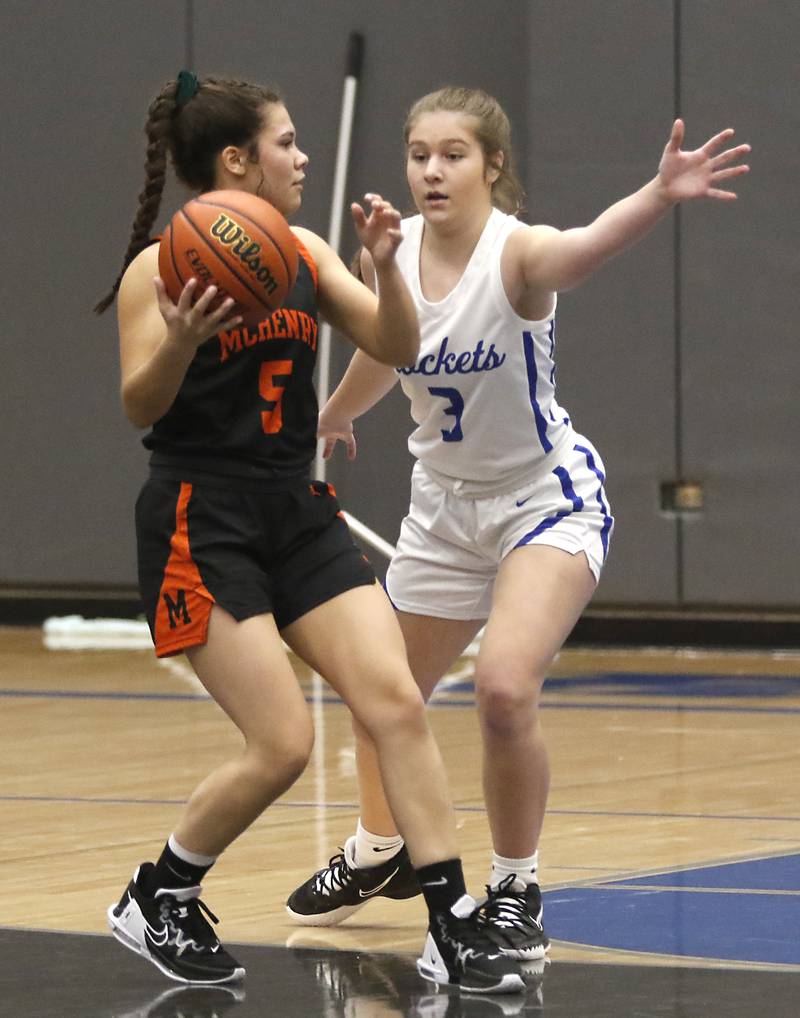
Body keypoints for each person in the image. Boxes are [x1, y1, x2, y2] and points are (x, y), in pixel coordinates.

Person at [286, 86, 750, 959]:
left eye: (453, 154)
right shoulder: (398, 248)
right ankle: (380, 848)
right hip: (444, 511)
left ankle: (514, 886)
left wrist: (657, 194)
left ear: (493, 167)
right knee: (378, 687)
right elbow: (390, 346)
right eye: (420, 153)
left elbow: (581, 250)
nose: (432, 170)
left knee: (502, 688)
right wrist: (336, 413)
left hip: (544, 497)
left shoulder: (518, 254)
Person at [95, 72, 526, 995]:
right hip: (198, 519)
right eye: (287, 143)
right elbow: (140, 402)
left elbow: (397, 344)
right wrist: (176, 338)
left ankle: (453, 923)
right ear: (237, 160)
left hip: (293, 506)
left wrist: (383, 272)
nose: (303, 157)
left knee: (395, 700)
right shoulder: (157, 269)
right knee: (283, 745)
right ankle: (159, 892)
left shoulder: (300, 248)